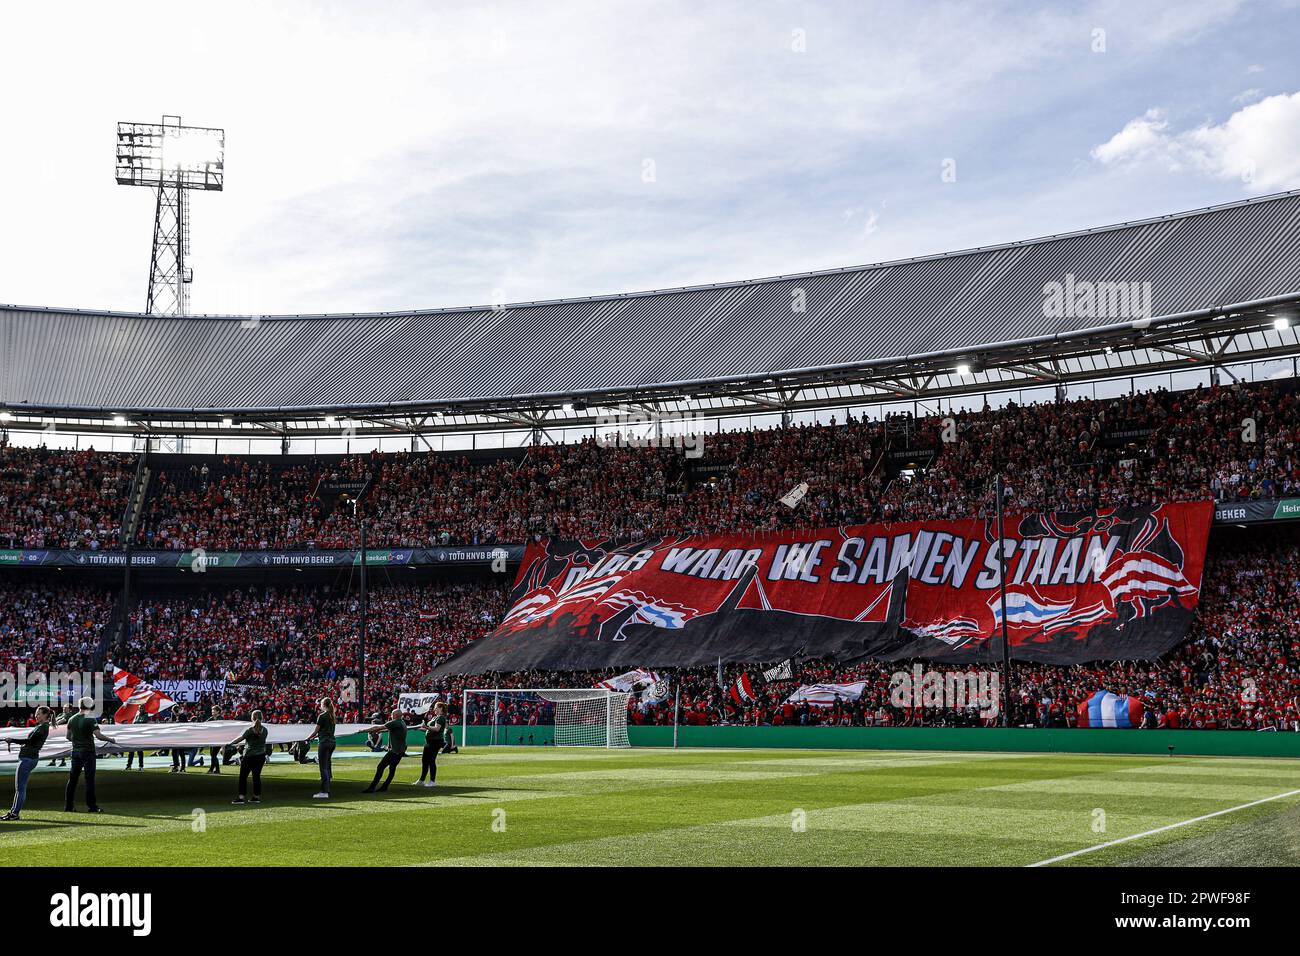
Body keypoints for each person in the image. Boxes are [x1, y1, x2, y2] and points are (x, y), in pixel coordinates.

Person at [65, 697, 117, 813]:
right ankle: (92, 806)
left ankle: (68, 806)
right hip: (87, 751)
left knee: (73, 779)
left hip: (75, 752)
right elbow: (98, 735)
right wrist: (111, 739)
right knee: (89, 779)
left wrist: (77, 740)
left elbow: (68, 737)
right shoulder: (90, 718)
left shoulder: (72, 719)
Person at [1, 706, 52, 821]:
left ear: (45, 715)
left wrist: (12, 740)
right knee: (20, 788)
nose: (36, 716)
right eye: (36, 713)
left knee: (20, 788)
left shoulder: (43, 727)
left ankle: (14, 814)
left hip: (28, 759)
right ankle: (13, 812)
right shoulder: (41, 726)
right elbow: (29, 742)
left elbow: (29, 742)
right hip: (28, 758)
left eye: (39, 714)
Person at [227, 710, 269, 805]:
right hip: (261, 756)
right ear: (262, 718)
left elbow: (240, 739)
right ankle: (256, 797)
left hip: (249, 756)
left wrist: (229, 743)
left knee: (243, 777)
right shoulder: (265, 730)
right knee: (256, 777)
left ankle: (241, 797)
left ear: (252, 718)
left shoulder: (250, 730)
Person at [361, 709, 408, 793]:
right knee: (392, 768)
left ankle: (372, 787)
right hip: (401, 750)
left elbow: (379, 727)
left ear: (396, 715)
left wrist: (363, 730)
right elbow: (387, 729)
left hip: (395, 750)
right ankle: (385, 786)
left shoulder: (395, 722)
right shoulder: (402, 722)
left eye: (392, 714)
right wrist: (378, 730)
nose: (391, 716)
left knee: (380, 767)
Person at [305, 697, 336, 800]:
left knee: (323, 767)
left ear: (323, 705)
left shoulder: (322, 716)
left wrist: (308, 738)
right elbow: (324, 731)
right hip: (332, 742)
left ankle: (324, 791)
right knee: (326, 765)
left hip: (324, 743)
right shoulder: (332, 715)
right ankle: (327, 785)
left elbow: (316, 731)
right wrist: (314, 737)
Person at [417, 702, 449, 788]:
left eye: (436, 708)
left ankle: (432, 781)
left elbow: (437, 729)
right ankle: (421, 780)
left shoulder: (441, 718)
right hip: (429, 741)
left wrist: (426, 727)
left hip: (435, 741)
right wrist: (420, 728)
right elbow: (430, 730)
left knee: (431, 760)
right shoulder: (436, 717)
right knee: (424, 760)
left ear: (441, 708)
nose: (434, 709)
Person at [169, 704, 191, 773]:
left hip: (182, 737)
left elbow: (185, 726)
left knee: (181, 753)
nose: (174, 714)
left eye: (175, 712)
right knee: (174, 752)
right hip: (175, 737)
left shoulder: (183, 716)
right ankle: (176, 766)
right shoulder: (174, 716)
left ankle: (183, 768)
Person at [205, 704, 224, 775]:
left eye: (214, 710)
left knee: (213, 754)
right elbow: (204, 724)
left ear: (218, 711)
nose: (212, 712)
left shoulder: (221, 718)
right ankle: (217, 770)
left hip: (219, 739)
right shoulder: (211, 718)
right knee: (213, 755)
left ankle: (211, 769)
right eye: (212, 710)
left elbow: (220, 728)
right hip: (212, 739)